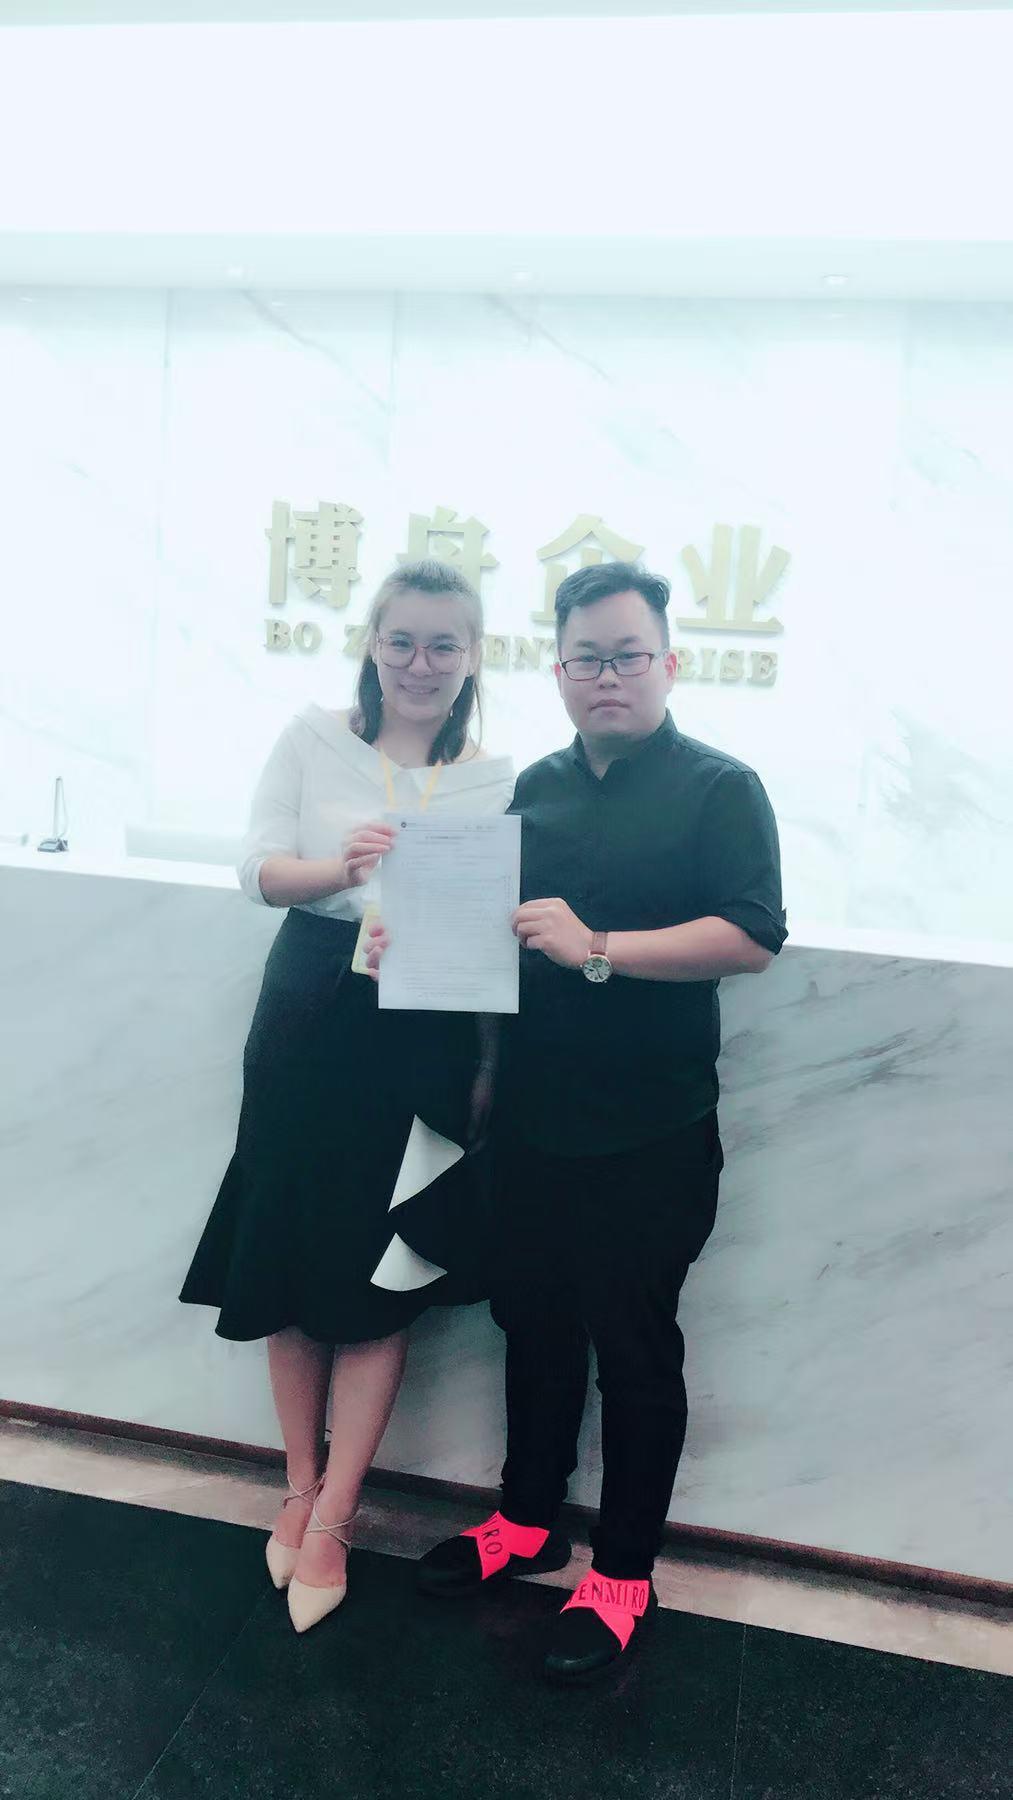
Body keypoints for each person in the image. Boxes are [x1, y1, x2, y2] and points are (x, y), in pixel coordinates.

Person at [413, 561, 787, 1683]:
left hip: (650, 1129)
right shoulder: (533, 787)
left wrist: (600, 951)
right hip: (530, 1119)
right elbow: (492, 937)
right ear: (559, 670)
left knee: (633, 1347)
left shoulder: (721, 788)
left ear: (667, 662)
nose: (607, 675)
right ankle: (525, 1519)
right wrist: (413, 948)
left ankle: (623, 1571)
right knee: (530, 1324)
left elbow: (751, 936)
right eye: (586, 658)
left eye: (627, 655)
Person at [179, 559, 514, 1635]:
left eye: (443, 644)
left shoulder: (494, 778)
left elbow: (491, 928)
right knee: (285, 1249)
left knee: (383, 1261)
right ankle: (295, 1482)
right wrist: (340, 868)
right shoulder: (313, 738)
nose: (420, 663)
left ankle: (336, 1513)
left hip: (423, 1023)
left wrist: (483, 1065)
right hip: (309, 1011)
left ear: (472, 656)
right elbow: (255, 869)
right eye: (401, 639)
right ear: (372, 642)